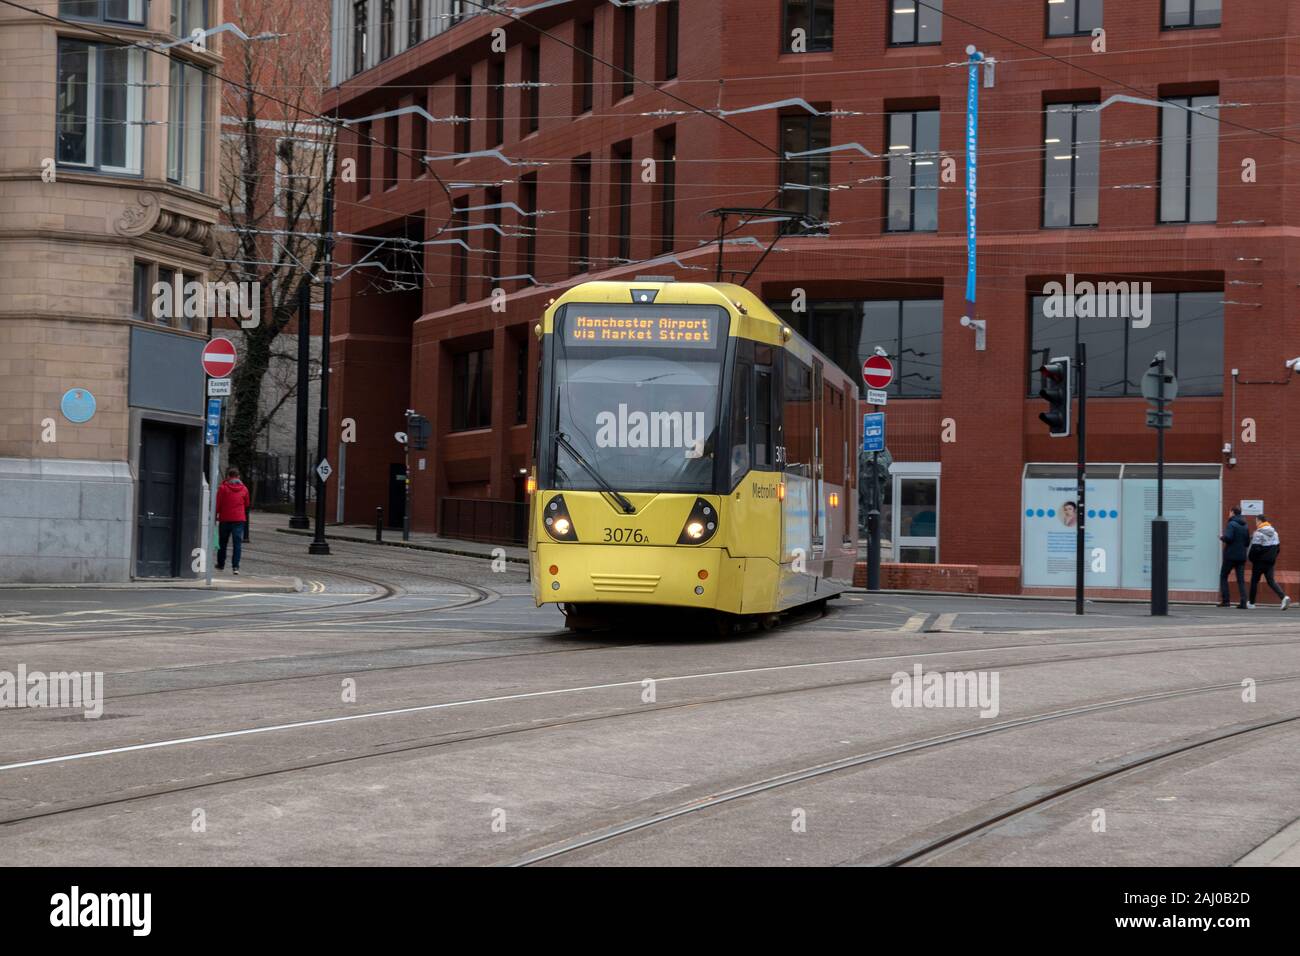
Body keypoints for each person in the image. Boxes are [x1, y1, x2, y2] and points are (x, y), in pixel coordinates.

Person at [1247, 515, 1291, 610]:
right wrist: (1272, 557)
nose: (1256, 523)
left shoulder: (1258, 533)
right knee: (1271, 581)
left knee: (1254, 581)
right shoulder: (1275, 533)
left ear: (1260, 521)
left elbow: (1255, 549)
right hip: (1270, 562)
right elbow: (1278, 548)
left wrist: (1252, 559)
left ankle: (1251, 603)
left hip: (1258, 562)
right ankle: (1283, 597)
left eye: (1256, 521)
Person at [215, 466, 251, 575]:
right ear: (238, 476)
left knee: (223, 542)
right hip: (239, 519)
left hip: (225, 519)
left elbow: (218, 504)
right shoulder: (244, 489)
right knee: (237, 544)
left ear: (228, 476)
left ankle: (221, 564)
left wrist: (216, 514)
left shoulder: (222, 488)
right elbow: (247, 504)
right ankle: (235, 567)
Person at [1218, 506, 1250, 608]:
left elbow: (1229, 538)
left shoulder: (1231, 524)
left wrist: (1222, 537)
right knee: (1240, 580)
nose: (1229, 514)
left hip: (1231, 556)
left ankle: (1226, 601)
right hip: (1241, 556)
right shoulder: (1245, 525)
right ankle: (1243, 602)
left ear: (1232, 512)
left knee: (1223, 576)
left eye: (1230, 512)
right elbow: (1247, 542)